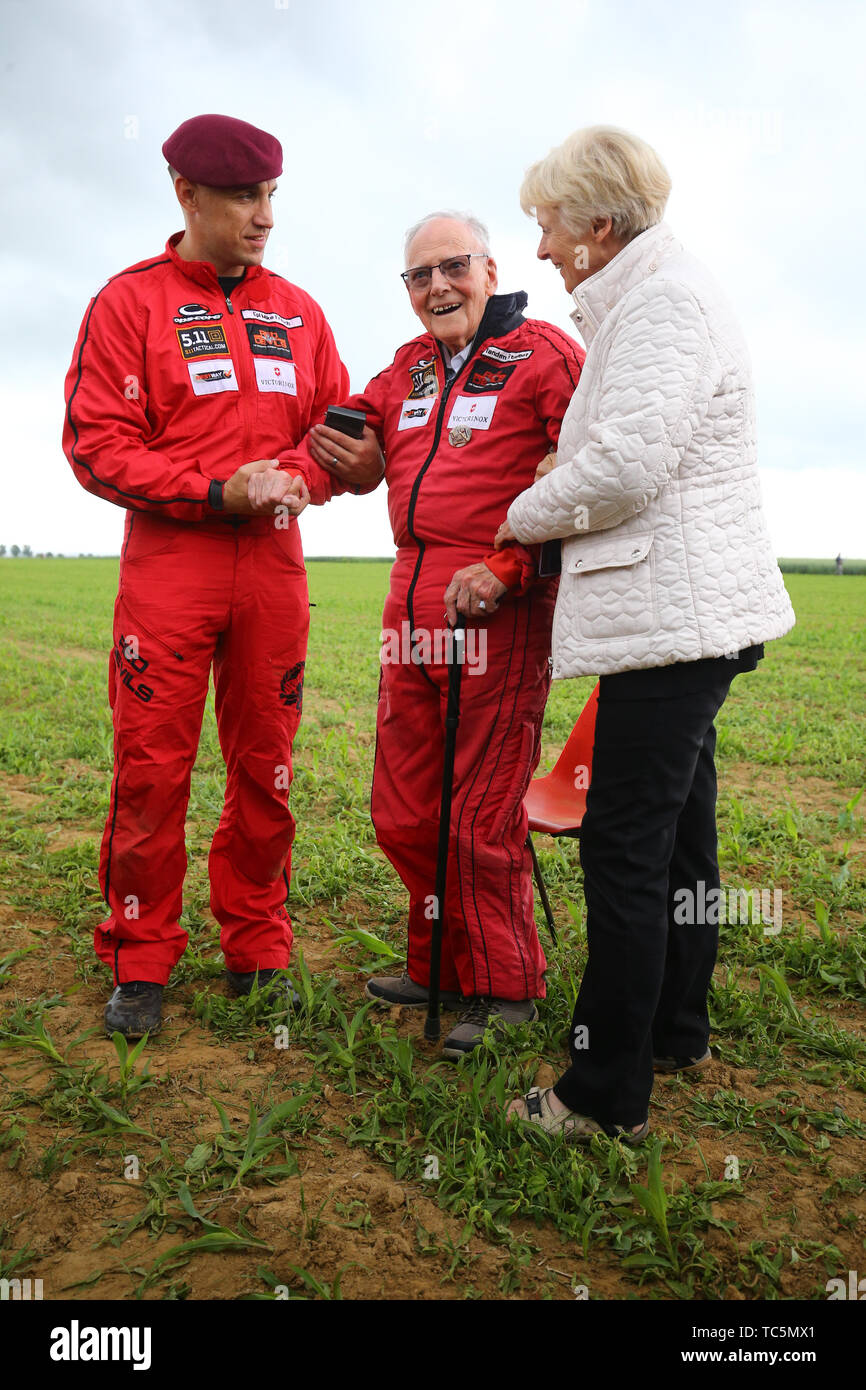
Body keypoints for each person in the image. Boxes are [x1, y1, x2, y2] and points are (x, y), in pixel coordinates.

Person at [494, 127, 795, 1139]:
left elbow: (624, 467)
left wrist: (522, 510)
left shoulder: (661, 303)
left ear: (596, 226)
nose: (537, 248)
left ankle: (598, 1092)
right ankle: (674, 1027)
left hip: (667, 626)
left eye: (544, 225)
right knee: (677, 844)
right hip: (686, 621)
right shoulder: (659, 291)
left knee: (621, 851)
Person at [62, 113, 371, 1038]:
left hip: (273, 569)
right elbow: (94, 445)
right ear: (185, 194)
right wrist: (213, 491)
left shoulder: (301, 311)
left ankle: (257, 945)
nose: (263, 214)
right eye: (243, 195)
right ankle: (140, 955)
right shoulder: (129, 304)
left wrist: (329, 473)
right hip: (171, 565)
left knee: (266, 767)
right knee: (152, 769)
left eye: (271, 194)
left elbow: (341, 433)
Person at [296, 212, 585, 1058]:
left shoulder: (545, 356)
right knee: (403, 808)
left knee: (477, 815)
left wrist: (512, 567)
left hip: (495, 602)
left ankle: (505, 988)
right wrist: (293, 480)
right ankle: (440, 963)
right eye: (418, 277)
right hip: (408, 600)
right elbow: (341, 441)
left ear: (491, 269)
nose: (436, 288)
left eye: (452, 268)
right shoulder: (408, 367)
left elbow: (585, 477)